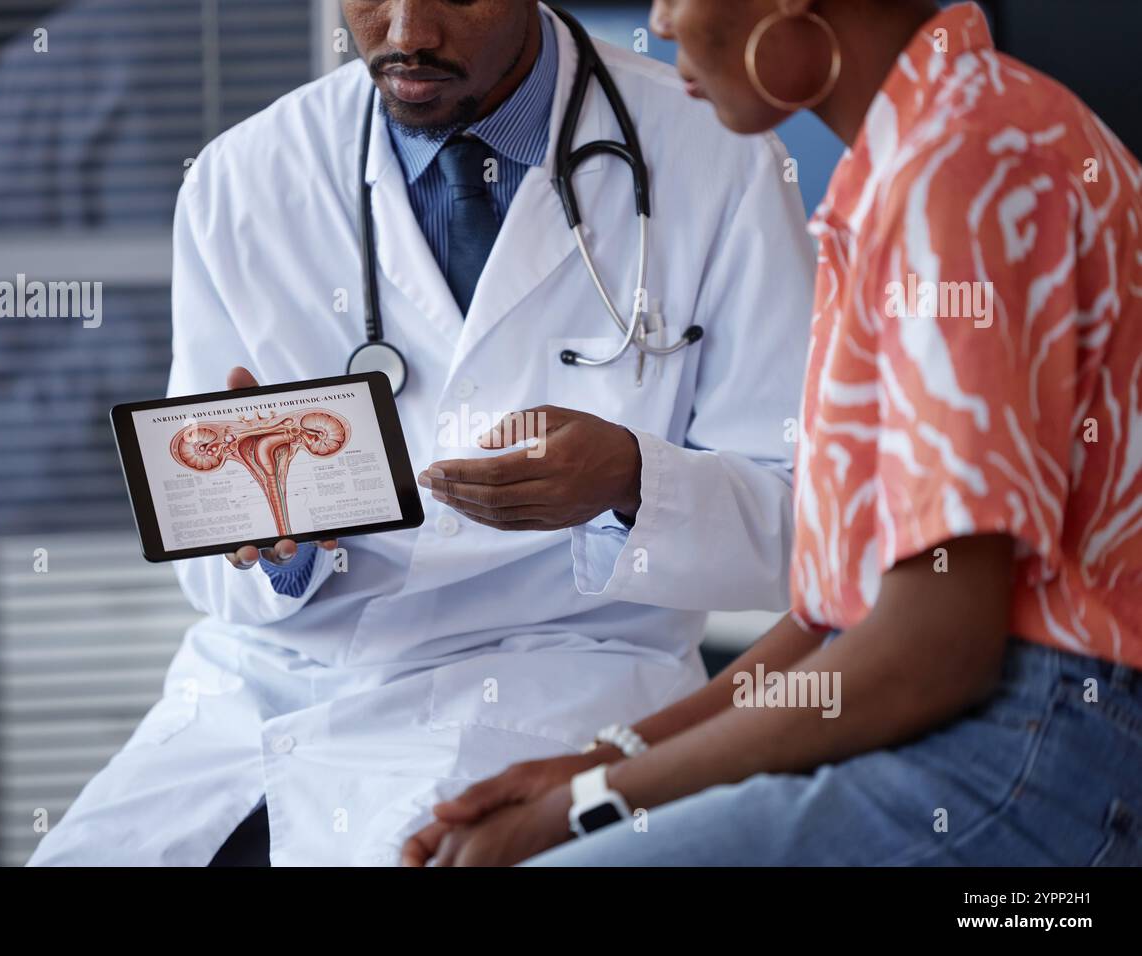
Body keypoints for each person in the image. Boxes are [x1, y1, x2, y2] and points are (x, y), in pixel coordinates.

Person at [29, 0, 815, 865]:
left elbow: (798, 523)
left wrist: (631, 480)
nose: (406, 34)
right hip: (264, 691)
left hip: (560, 676)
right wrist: (274, 546)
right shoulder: (242, 180)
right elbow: (216, 570)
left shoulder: (719, 159)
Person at [402, 0, 1142, 867]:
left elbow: (937, 645)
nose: (663, 22)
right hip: (984, 715)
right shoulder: (924, 147)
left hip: (1042, 746)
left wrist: (589, 807)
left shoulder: (964, 161)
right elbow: (841, 616)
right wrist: (608, 760)